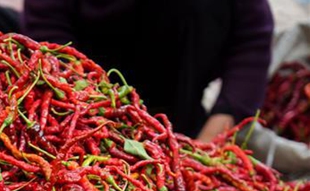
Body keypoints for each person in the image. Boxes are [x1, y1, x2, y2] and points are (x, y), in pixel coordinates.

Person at [22, 0, 275, 141]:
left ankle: (163, 134)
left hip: (175, 105)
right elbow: (46, 25)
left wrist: (211, 138)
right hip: (81, 99)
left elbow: (251, 38)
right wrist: (79, 101)